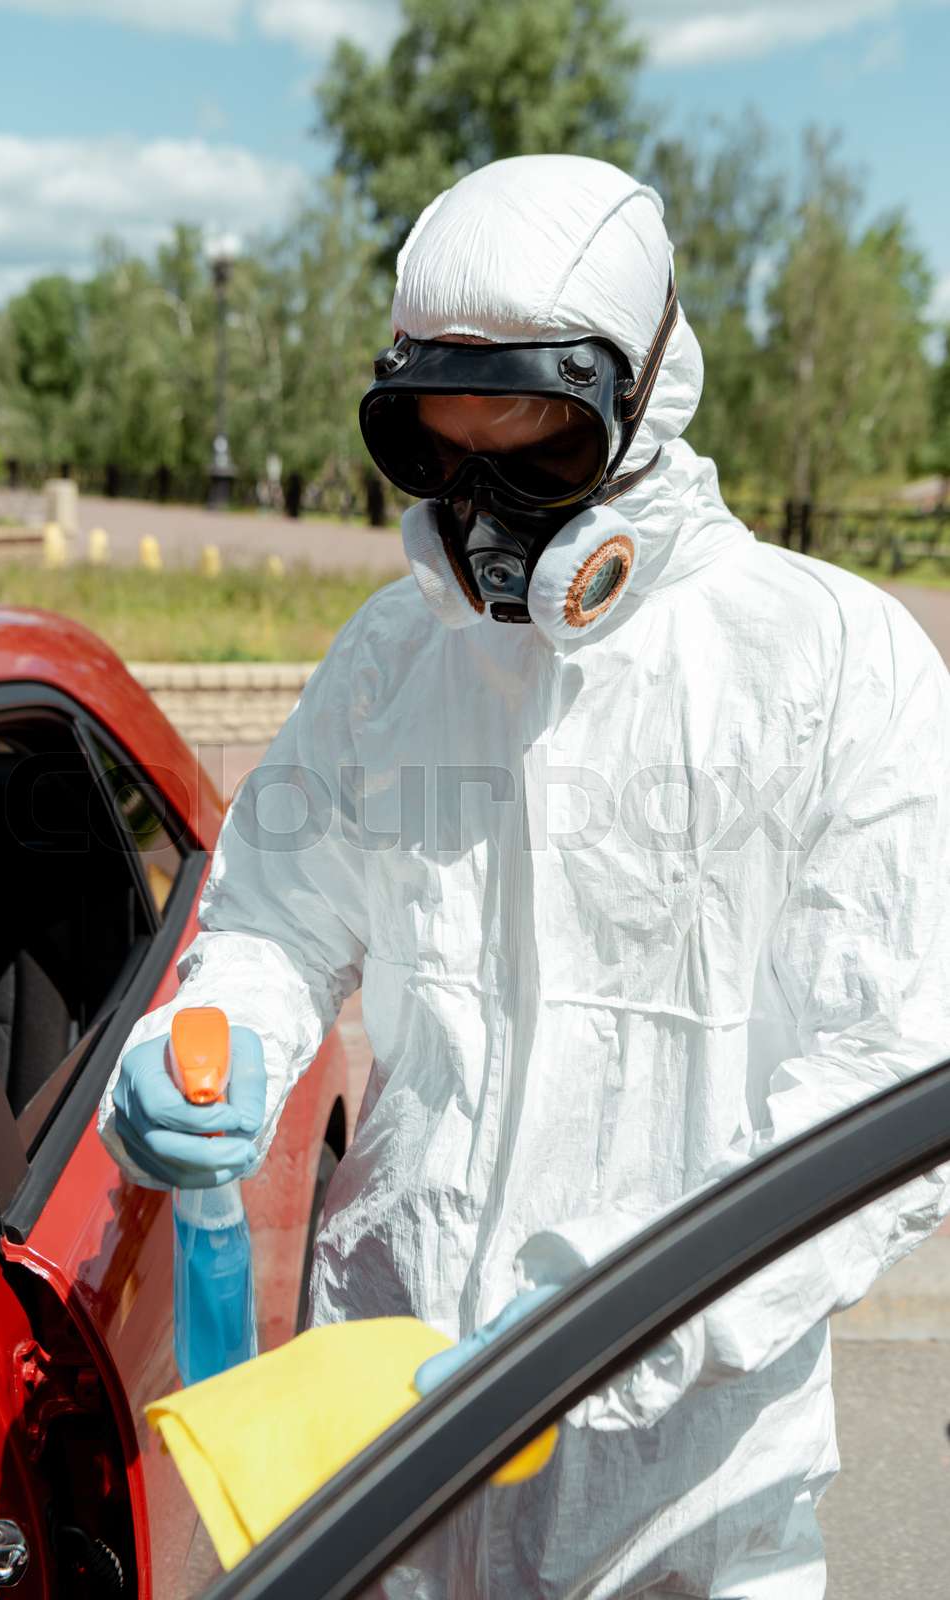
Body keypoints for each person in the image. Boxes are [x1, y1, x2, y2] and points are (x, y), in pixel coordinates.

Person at [100, 155, 950, 1597]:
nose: (486, 506)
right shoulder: (394, 659)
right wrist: (222, 1038)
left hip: (685, 1495)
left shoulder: (829, 666)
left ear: (647, 399)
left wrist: (611, 1325)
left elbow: (889, 1070)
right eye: (442, 447)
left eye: (539, 446)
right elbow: (272, 925)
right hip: (390, 1462)